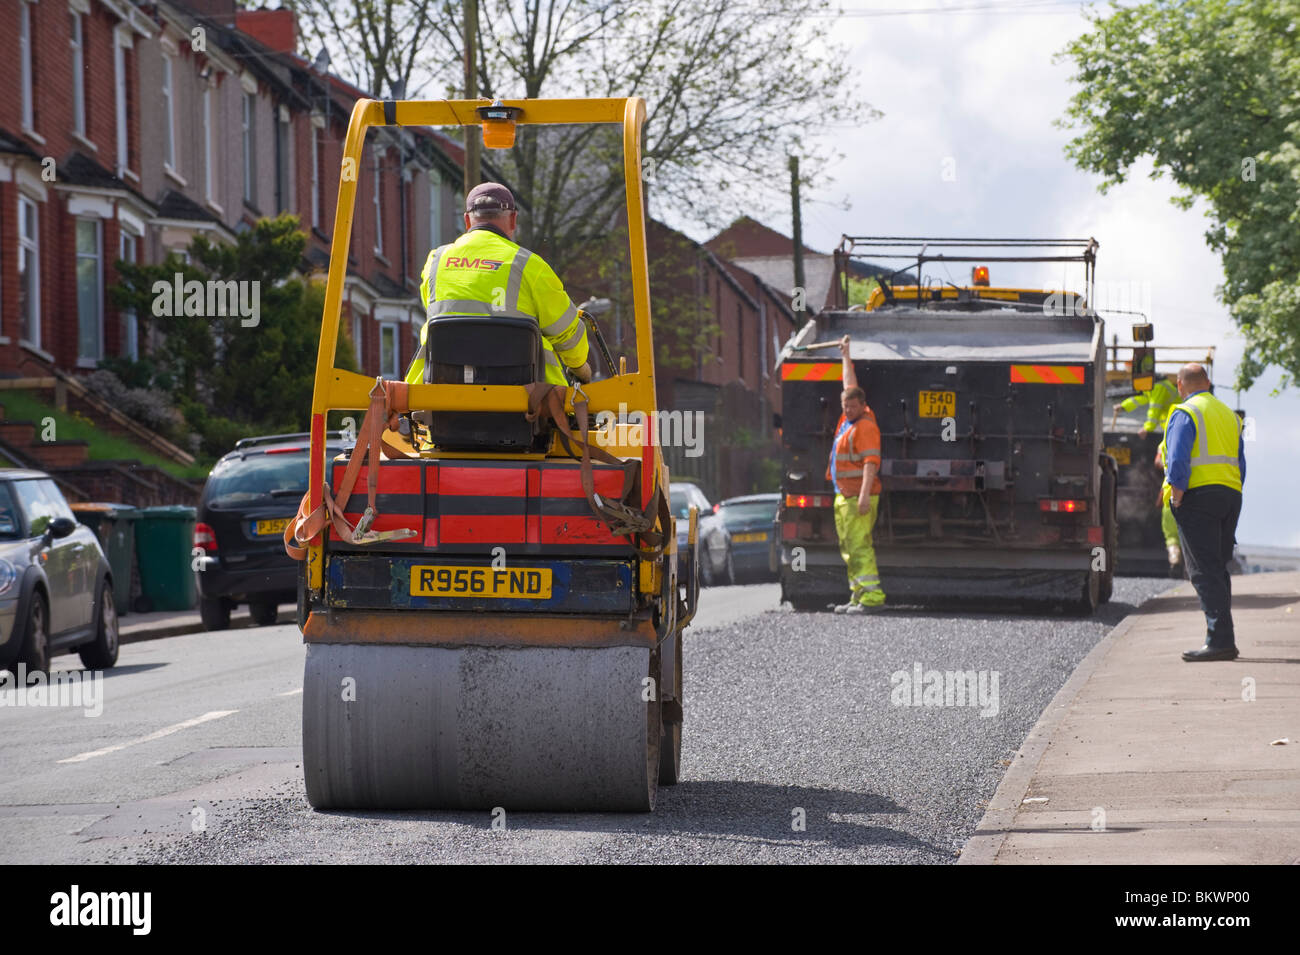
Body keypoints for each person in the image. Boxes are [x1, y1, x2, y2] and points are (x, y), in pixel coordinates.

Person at [405, 183, 591, 387]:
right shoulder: (530, 266)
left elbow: (434, 311)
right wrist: (580, 368)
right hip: (528, 404)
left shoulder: (436, 261)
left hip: (441, 399)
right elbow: (567, 333)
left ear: (467, 220)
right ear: (513, 219)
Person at [1162, 363, 1246, 662]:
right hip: (1230, 495)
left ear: (1180, 385)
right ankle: (1224, 638)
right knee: (1218, 568)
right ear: (1208, 382)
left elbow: (1177, 458)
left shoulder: (1185, 412)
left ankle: (1220, 641)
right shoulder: (1230, 416)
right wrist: (1233, 492)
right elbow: (1241, 463)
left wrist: (1178, 495)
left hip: (1198, 498)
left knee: (1203, 570)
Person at [828, 335, 884, 614]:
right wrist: (846, 355)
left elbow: (870, 464)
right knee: (849, 546)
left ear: (863, 406)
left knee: (859, 546)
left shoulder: (865, 426)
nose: (847, 410)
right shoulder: (848, 420)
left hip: (857, 498)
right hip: (844, 495)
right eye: (844, 406)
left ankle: (872, 598)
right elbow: (849, 383)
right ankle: (858, 595)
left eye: (852, 406)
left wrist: (863, 497)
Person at [1114, 373, 1179, 432]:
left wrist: (1147, 428)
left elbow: (1155, 409)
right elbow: (1143, 398)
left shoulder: (1158, 388)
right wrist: (1124, 406)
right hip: (1173, 424)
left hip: (1174, 425)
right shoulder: (1154, 385)